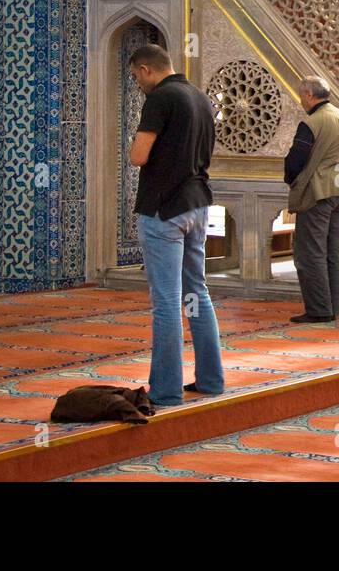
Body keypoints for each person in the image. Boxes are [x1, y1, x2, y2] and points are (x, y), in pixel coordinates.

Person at [128, 44, 225, 406]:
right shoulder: (200, 97)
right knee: (196, 293)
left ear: (146, 69)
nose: (137, 83)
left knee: (166, 301)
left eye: (136, 76)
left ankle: (167, 390)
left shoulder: (161, 98)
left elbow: (139, 156)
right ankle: (211, 380)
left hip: (164, 210)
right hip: (197, 204)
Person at [284, 76, 339, 322]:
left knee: (309, 253)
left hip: (319, 192)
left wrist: (290, 178)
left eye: (301, 95)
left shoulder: (313, 121)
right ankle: (332, 307)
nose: (301, 100)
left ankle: (318, 310)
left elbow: (296, 158)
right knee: (330, 252)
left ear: (308, 95)